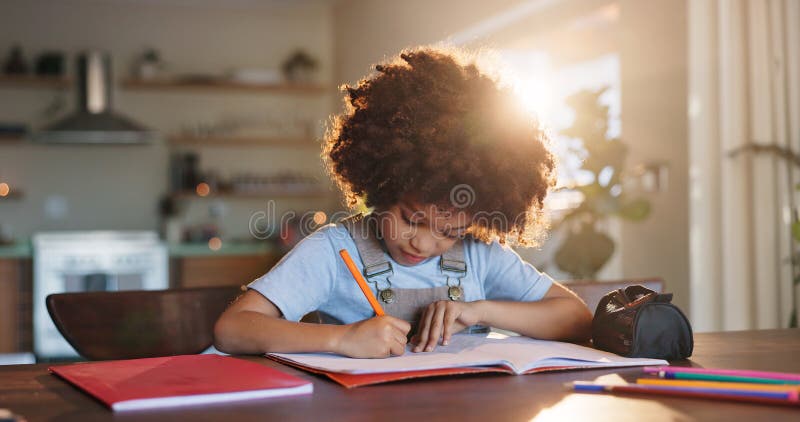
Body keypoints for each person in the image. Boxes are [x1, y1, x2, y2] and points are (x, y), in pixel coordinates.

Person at [214, 46, 593, 358]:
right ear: (382, 187)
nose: (423, 244)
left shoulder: (479, 255)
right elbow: (232, 329)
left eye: (449, 231)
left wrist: (478, 310)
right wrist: (341, 340)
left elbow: (575, 317)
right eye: (411, 219)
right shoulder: (334, 251)